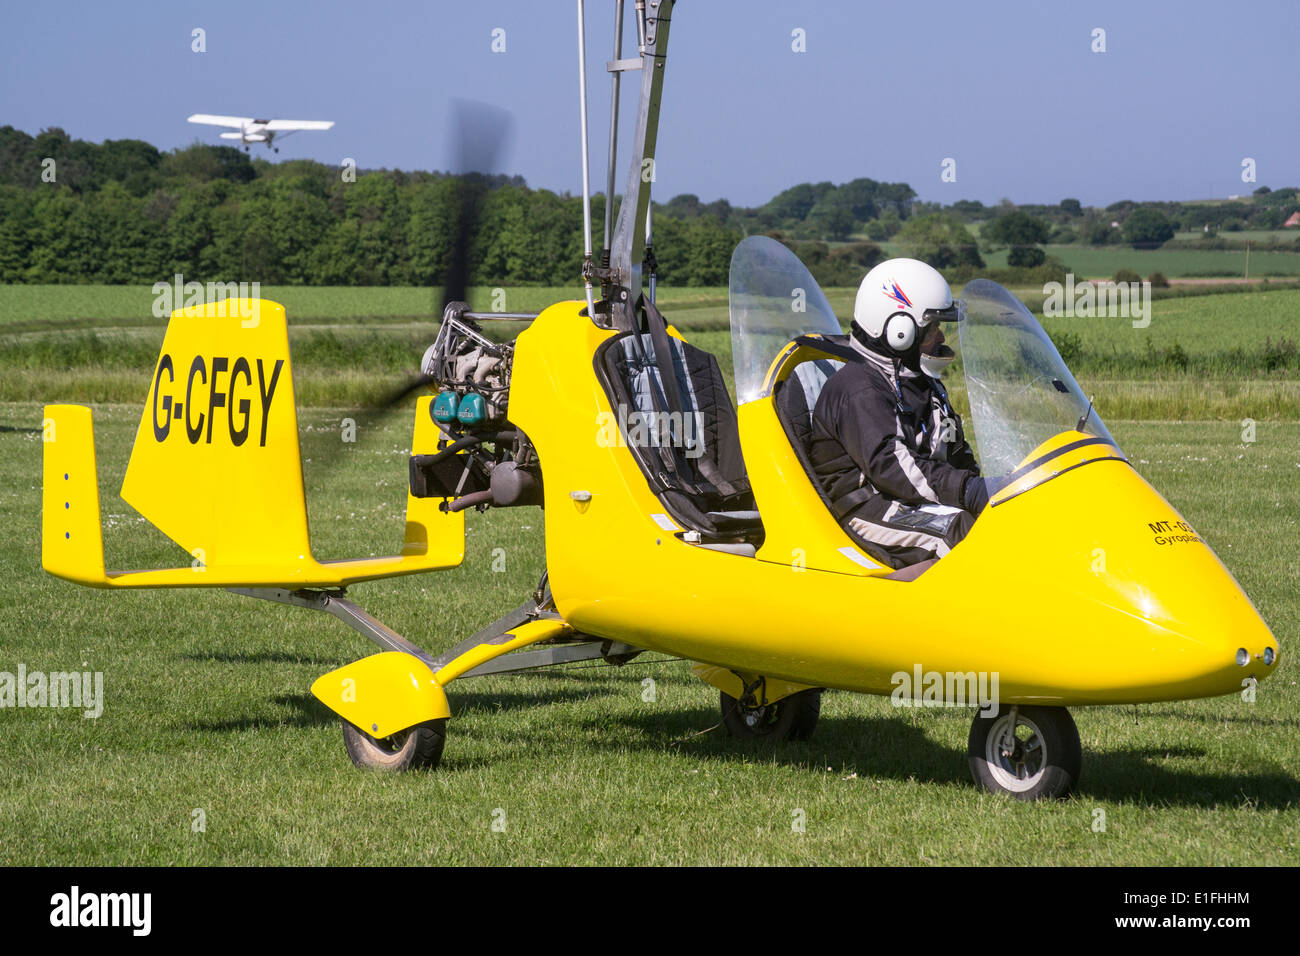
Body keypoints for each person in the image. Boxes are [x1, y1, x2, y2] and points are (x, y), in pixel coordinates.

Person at [808, 258, 993, 568]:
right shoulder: (860, 388)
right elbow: (893, 468)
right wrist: (967, 490)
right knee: (958, 531)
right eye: (933, 327)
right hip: (864, 509)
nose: (941, 337)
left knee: (999, 519)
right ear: (899, 329)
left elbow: (955, 449)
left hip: (905, 500)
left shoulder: (921, 380)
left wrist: (988, 489)